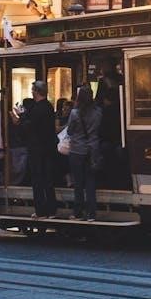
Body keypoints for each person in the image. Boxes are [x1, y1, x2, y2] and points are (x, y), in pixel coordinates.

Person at [66, 85, 103, 221]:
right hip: (92, 149)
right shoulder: (98, 112)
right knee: (90, 182)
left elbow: (69, 131)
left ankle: (78, 212)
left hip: (77, 150)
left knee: (78, 183)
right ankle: (91, 213)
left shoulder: (75, 113)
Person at [26, 80, 57, 218]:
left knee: (38, 180)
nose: (32, 92)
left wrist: (19, 121)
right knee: (48, 180)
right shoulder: (49, 107)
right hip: (49, 147)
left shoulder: (37, 109)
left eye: (33, 90)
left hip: (37, 149)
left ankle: (41, 210)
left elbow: (31, 128)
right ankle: (51, 210)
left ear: (37, 92)